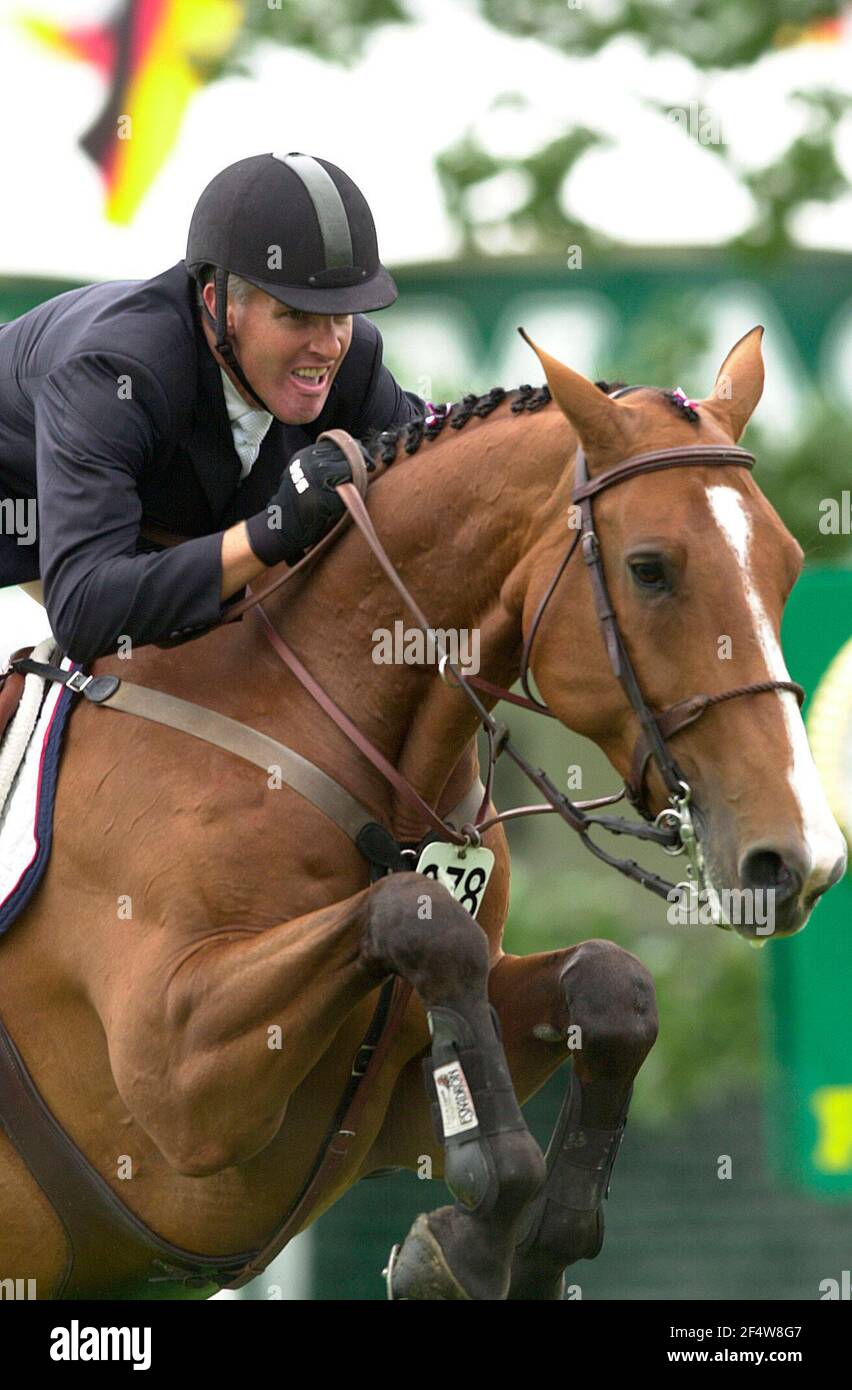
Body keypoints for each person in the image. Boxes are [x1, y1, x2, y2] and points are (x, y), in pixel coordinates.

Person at [0, 152, 426, 665]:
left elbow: (436, 463)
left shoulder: (354, 357)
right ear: (220, 304)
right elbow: (87, 611)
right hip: (22, 510)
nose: (329, 346)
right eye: (296, 315)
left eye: (342, 314)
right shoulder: (119, 375)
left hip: (144, 521)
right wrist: (272, 531)